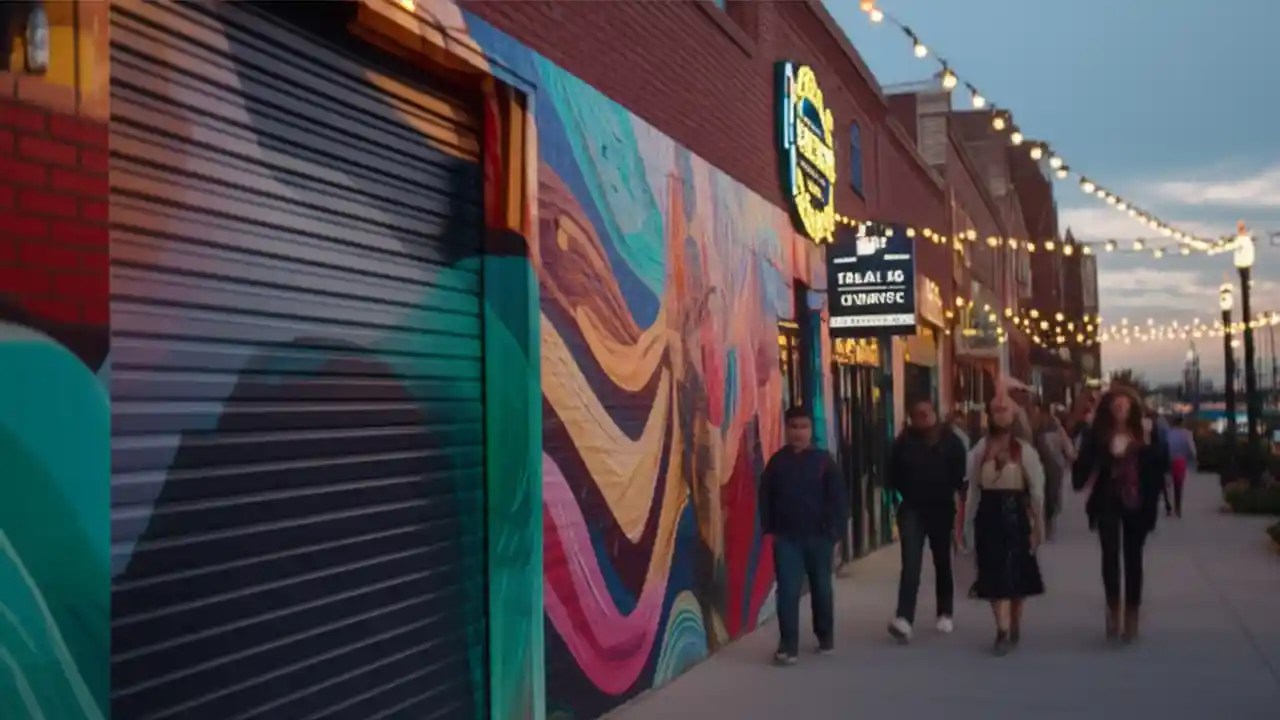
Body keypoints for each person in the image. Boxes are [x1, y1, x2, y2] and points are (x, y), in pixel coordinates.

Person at [1072, 386, 1169, 643]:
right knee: (1110, 556)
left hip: (1137, 501)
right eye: (1116, 406)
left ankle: (1132, 613)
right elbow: (1084, 464)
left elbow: (1161, 465)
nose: (1121, 410)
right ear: (1109, 409)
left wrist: (1146, 444)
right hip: (1107, 500)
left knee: (1133, 558)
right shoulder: (1099, 434)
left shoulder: (1145, 431)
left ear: (1133, 408)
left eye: (1125, 406)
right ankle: (1113, 608)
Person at [758, 406, 845, 664]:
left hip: (819, 537)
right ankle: (788, 646)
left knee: (821, 589)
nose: (798, 432)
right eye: (793, 427)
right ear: (786, 429)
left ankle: (825, 636)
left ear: (811, 430)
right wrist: (769, 528)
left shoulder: (824, 462)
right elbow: (765, 497)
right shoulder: (777, 463)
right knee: (787, 591)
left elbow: (838, 499)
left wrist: (834, 531)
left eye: (803, 427)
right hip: (787, 539)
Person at [963, 394, 1046, 656]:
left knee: (1017, 574)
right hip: (989, 514)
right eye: (996, 409)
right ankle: (1001, 628)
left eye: (1005, 410)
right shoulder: (979, 451)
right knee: (993, 573)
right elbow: (973, 490)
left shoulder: (1024, 451)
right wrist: (966, 525)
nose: (1000, 413)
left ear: (1013, 417)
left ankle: (1014, 623)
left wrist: (1038, 524)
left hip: (1015, 514)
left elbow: (1036, 490)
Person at [886, 399, 968, 643]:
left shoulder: (951, 442)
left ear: (935, 414)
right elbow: (892, 474)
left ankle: (945, 611)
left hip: (941, 509)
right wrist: (898, 500)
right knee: (910, 564)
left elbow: (960, 476)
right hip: (911, 509)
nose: (921, 418)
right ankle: (904, 618)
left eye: (926, 413)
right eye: (916, 414)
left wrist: (958, 501)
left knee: (942, 561)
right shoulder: (903, 443)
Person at [1028, 397, 1076, 540]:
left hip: (1053, 466)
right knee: (1038, 495)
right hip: (1037, 464)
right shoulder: (1031, 424)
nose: (1033, 412)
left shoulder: (1054, 424)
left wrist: (1070, 453)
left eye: (1035, 408)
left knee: (1052, 495)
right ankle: (1040, 524)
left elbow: (1065, 441)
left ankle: (1048, 521)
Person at [1166, 416, 1197, 517]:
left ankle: (1169, 507)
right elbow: (1191, 448)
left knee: (1168, 485)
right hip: (1180, 461)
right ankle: (1178, 507)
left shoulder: (1168, 433)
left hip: (1168, 460)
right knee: (1178, 485)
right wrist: (1195, 458)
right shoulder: (1186, 434)